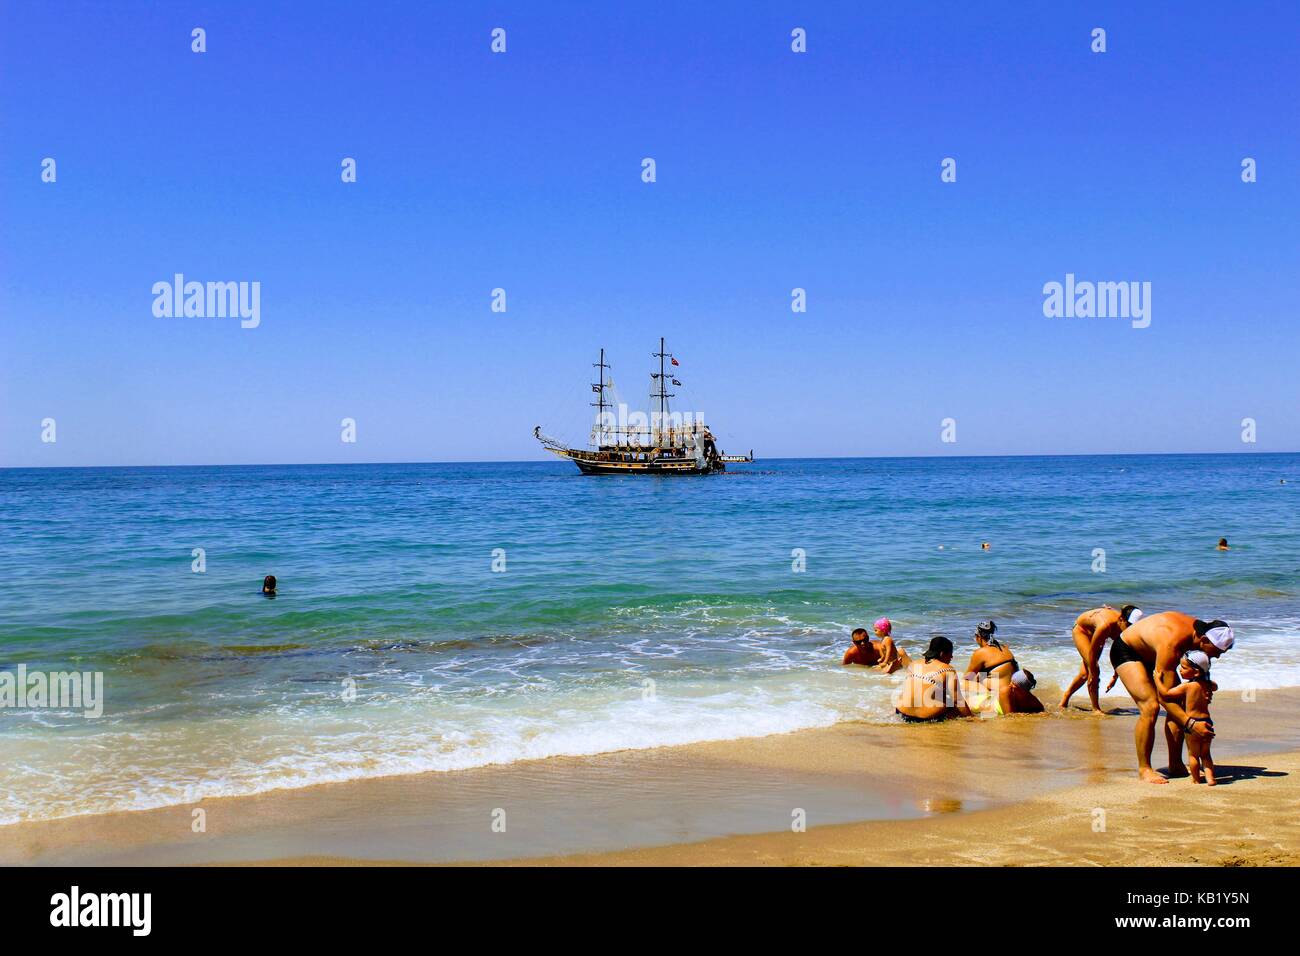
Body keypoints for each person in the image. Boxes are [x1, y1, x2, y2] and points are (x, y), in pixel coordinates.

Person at [1107, 611, 1234, 784]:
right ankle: (1144, 769)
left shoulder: (1200, 634)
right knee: (1150, 706)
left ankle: (1175, 764)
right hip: (1127, 650)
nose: (1217, 656)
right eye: (1217, 652)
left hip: (1154, 653)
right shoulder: (1173, 642)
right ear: (1204, 641)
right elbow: (1164, 697)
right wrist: (1191, 724)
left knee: (1180, 703)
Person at [1060, 604, 1142, 711]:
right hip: (1082, 631)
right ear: (1121, 620)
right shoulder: (1105, 626)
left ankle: (1065, 697)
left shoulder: (1126, 627)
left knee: (1084, 674)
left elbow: (1122, 654)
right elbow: (1092, 654)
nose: (1130, 629)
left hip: (1098, 633)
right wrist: (1094, 672)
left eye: (1133, 626)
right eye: (1129, 625)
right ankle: (1096, 709)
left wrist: (1115, 677)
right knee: (1093, 670)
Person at [1164, 651, 1217, 785]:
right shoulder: (1208, 685)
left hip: (1193, 724)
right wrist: (1208, 680)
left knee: (1193, 754)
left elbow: (1167, 693)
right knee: (1206, 754)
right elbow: (1215, 686)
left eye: (1183, 668)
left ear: (1195, 673)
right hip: (1207, 722)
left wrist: (1157, 679)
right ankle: (1210, 778)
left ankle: (1196, 779)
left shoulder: (1187, 686)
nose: (1180, 670)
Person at [894, 636, 972, 723]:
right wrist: (971, 718)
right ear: (942, 654)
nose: (951, 657)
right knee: (951, 705)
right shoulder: (948, 669)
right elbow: (957, 700)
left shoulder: (914, 664)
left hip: (901, 712)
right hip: (925, 718)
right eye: (950, 654)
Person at [964, 621, 1018, 685]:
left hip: (999, 692)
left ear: (978, 636)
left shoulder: (981, 653)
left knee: (963, 683)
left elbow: (968, 678)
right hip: (1015, 689)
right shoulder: (1005, 648)